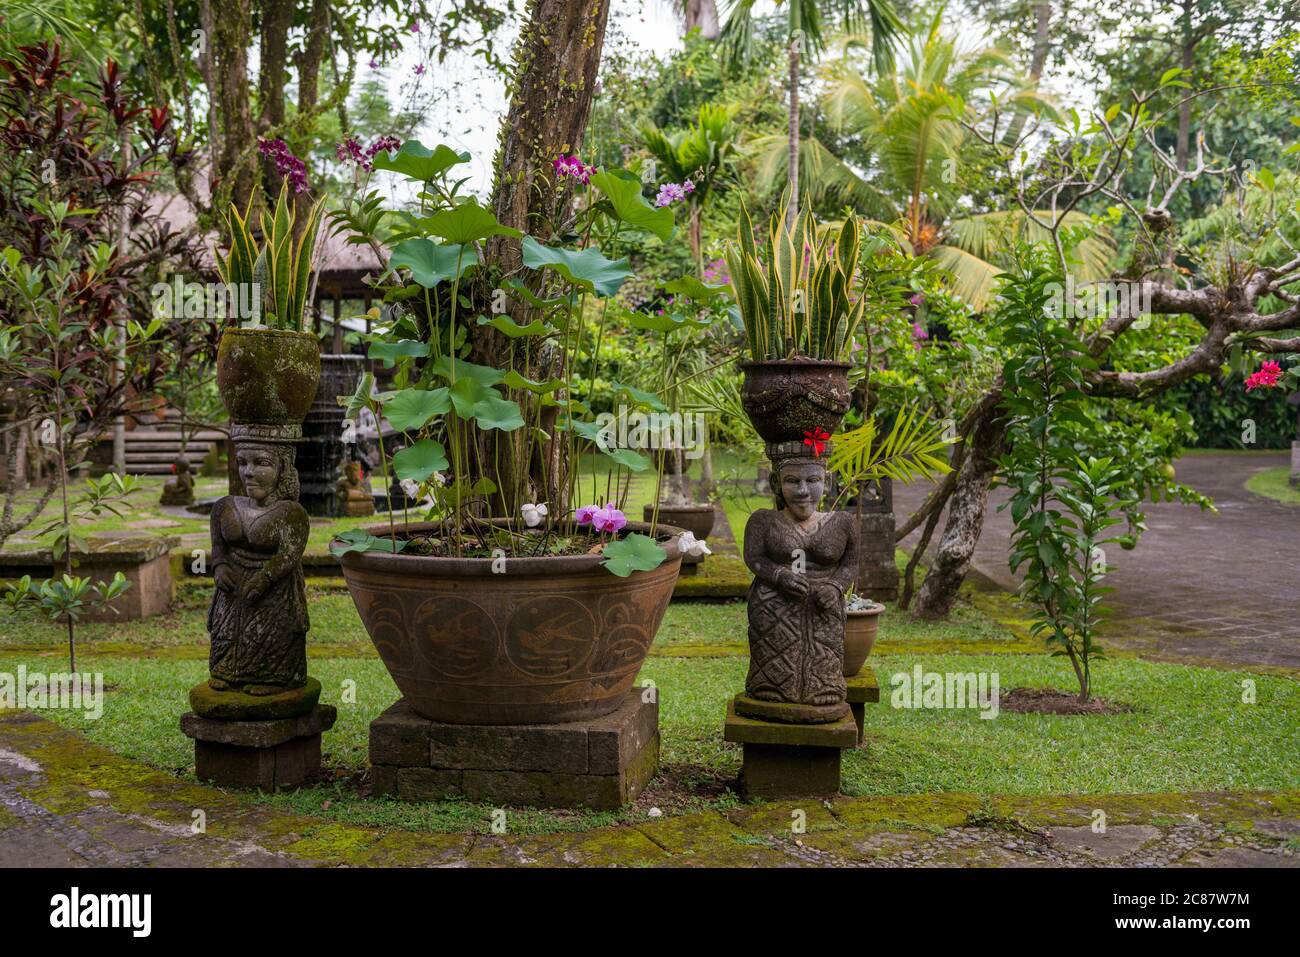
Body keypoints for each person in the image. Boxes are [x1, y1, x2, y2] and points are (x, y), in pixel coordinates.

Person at [742, 440, 858, 712]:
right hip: (774, 605)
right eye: (792, 481)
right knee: (773, 665)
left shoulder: (842, 523)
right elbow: (754, 558)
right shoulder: (763, 521)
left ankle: (825, 685)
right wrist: (780, 576)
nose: (803, 491)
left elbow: (850, 564)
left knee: (825, 659)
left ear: (826, 482)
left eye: (813, 480)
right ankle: (769, 686)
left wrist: (835, 586)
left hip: (824, 607)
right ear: (776, 483)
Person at [206, 441, 310, 694]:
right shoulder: (224, 506)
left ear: (282, 469)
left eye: (261, 463)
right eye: (242, 462)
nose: (248, 472)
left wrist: (265, 578)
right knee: (227, 633)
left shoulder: (291, 513)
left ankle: (273, 678)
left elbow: (289, 555)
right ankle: (226, 672)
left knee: (268, 635)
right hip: (232, 591)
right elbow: (218, 546)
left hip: (273, 590)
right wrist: (219, 567)